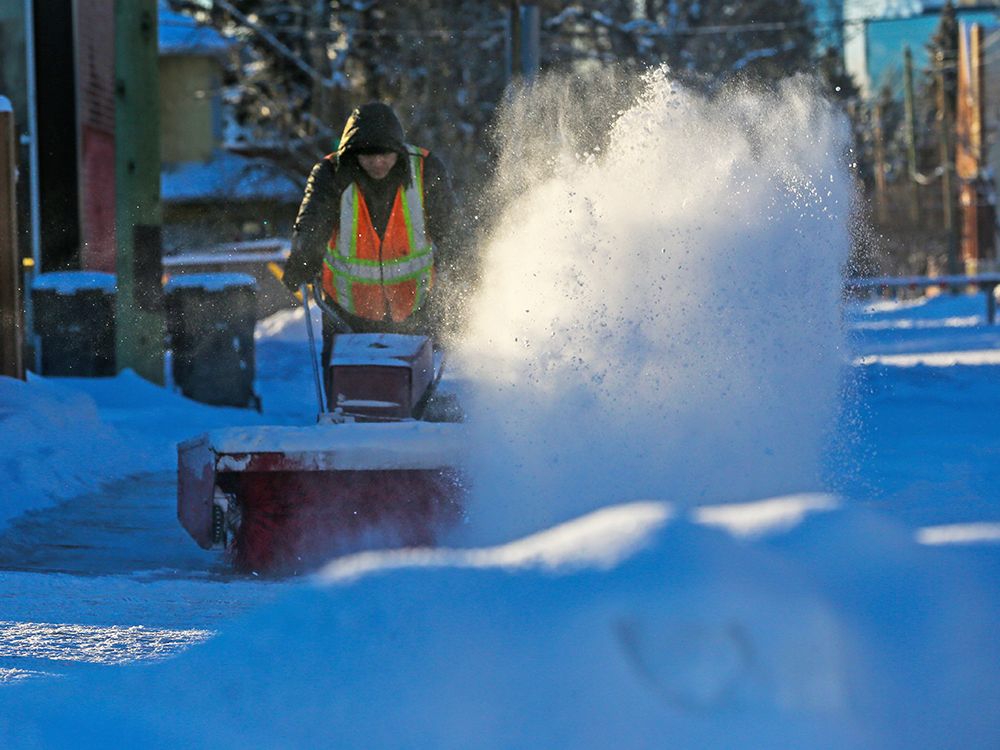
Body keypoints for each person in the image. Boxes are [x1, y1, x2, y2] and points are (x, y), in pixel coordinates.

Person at [281, 101, 459, 367]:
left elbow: (451, 229)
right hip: (345, 313)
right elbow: (313, 222)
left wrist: (465, 270)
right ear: (353, 154)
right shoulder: (331, 174)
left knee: (414, 392)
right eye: (367, 155)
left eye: (386, 154)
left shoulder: (425, 170)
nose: (378, 162)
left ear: (399, 150)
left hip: (415, 308)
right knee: (349, 390)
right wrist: (303, 257)